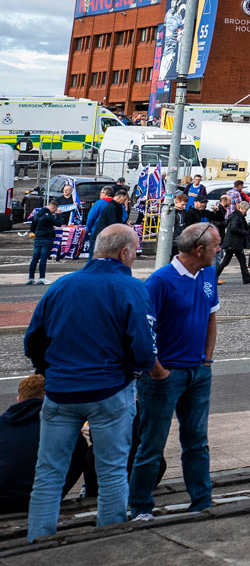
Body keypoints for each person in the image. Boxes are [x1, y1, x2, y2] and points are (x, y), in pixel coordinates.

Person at [21, 223, 156, 540]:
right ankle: (107, 538)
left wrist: (49, 371)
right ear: (124, 252)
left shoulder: (62, 286)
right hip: (110, 390)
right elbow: (144, 349)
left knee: (49, 472)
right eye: (135, 251)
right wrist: (133, 371)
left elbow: (33, 340)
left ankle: (37, 539)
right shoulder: (131, 288)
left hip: (61, 391)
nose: (135, 257)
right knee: (112, 471)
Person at [128, 220, 221, 520]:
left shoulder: (208, 273)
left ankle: (202, 501)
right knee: (151, 444)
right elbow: (141, 330)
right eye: (217, 246)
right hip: (165, 375)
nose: (220, 250)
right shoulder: (160, 282)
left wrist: (206, 360)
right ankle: (140, 507)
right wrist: (156, 370)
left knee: (197, 442)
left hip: (198, 372)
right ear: (200, 249)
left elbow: (211, 316)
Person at [0, 376, 95, 515]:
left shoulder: (3, 424)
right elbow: (78, 463)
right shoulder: (64, 426)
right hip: (44, 499)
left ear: (19, 399)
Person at [216, 195, 250, 284]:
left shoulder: (236, 216)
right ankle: (214, 277)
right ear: (243, 209)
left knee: (241, 261)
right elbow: (234, 228)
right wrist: (245, 232)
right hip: (234, 243)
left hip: (234, 243)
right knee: (226, 262)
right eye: (246, 210)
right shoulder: (237, 217)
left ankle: (247, 278)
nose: (246, 212)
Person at [25, 201, 58, 285]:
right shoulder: (49, 216)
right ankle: (41, 277)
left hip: (37, 238)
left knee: (35, 258)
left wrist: (33, 233)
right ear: (53, 208)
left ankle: (30, 278)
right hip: (47, 238)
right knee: (43, 258)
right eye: (55, 210)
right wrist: (59, 215)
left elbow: (32, 227)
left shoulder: (37, 214)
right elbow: (58, 223)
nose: (54, 211)